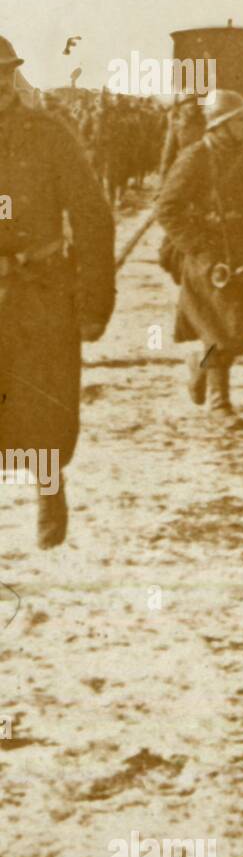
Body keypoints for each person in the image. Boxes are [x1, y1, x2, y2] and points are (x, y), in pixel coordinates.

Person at [0, 36, 115, 548]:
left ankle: (49, 490)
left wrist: (94, 301)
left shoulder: (49, 135)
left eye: (4, 75)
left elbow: (92, 216)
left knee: (45, 401)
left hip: (41, 290)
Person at [156, 88, 243, 425]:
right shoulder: (196, 157)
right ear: (221, 125)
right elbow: (167, 209)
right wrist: (199, 249)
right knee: (221, 329)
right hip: (210, 257)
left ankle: (200, 363)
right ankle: (218, 401)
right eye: (240, 119)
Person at [159, 93, 206, 180]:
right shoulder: (176, 126)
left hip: (204, 170)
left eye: (194, 102)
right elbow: (168, 155)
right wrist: (163, 181)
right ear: (181, 107)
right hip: (183, 169)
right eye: (188, 103)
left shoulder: (205, 123)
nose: (192, 106)